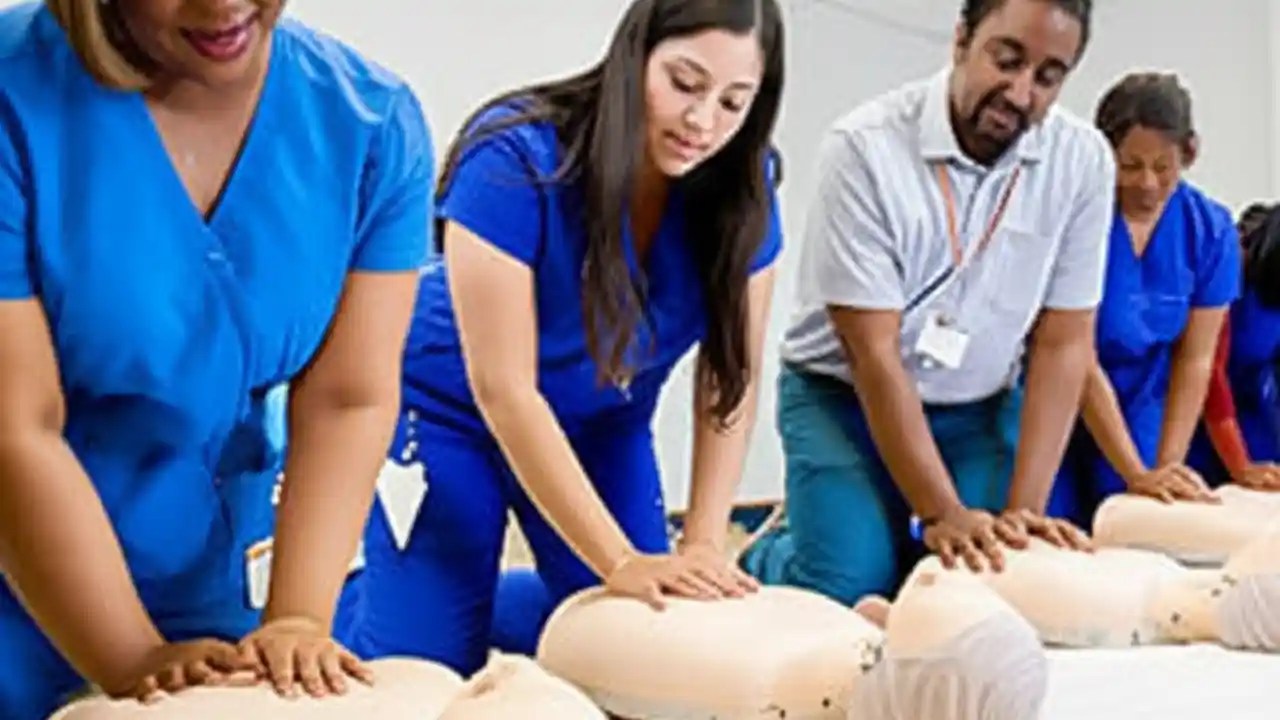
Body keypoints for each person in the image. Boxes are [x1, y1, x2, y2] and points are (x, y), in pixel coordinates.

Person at [0, 1, 432, 718]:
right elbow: (17, 427)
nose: (224, 3)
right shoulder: (17, 99)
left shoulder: (368, 123)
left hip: (216, 574)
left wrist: (295, 620)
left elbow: (345, 397)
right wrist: (131, 660)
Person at [339, 0, 785, 678]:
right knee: (426, 673)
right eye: (685, 83)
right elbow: (505, 391)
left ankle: (469, 599)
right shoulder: (514, 154)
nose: (703, 122)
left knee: (645, 634)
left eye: (733, 102)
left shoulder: (746, 190)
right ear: (635, 54)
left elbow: (731, 377)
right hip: (447, 409)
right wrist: (621, 561)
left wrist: (699, 545)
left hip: (603, 425)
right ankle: (359, 598)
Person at [739, 0, 1106, 607]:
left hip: (975, 407)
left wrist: (1024, 511)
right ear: (962, 39)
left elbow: (1064, 343)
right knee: (852, 584)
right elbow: (872, 356)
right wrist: (940, 511)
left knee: (985, 578)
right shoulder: (865, 148)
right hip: (844, 397)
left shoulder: (1082, 160)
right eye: (1006, 59)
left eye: (1047, 76)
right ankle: (769, 552)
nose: (1019, 92)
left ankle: (907, 532)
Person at [1049, 72, 1240, 527]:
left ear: (1188, 154)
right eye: (1130, 166)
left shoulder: (1210, 229)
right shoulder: (1077, 220)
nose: (1148, 184)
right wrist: (1133, 470)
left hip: (1145, 394)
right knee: (1052, 519)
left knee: (1146, 515)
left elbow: (1196, 359)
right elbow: (1077, 352)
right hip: (1061, 381)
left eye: (1163, 166)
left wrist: (1163, 466)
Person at [1190, 203, 1280, 490]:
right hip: (1196, 403)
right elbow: (1209, 375)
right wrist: (1240, 466)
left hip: (1253, 403)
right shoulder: (1234, 273)